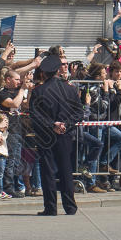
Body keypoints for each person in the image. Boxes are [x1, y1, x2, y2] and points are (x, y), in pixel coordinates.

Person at [29, 52, 83, 216]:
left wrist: (52, 124)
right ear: (58, 70)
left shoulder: (39, 91)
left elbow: (35, 115)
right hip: (65, 135)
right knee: (66, 169)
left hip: (46, 135)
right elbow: (79, 113)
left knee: (48, 171)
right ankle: (70, 206)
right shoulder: (70, 90)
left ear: (43, 73)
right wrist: (65, 124)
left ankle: (51, 207)